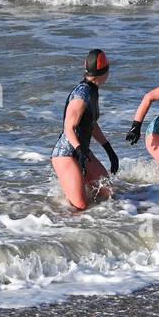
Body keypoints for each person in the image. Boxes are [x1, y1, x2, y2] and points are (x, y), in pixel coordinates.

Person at [50, 49, 119, 210]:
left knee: (107, 192)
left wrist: (109, 149)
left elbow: (91, 124)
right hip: (66, 154)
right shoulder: (82, 94)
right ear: (105, 71)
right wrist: (79, 150)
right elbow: (69, 127)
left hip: (82, 151)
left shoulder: (93, 91)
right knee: (80, 206)